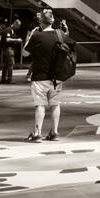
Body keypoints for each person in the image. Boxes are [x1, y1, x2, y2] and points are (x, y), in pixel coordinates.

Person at [25, 9, 72, 142]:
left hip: (40, 76)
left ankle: (37, 134)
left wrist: (30, 37)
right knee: (55, 104)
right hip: (56, 77)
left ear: (40, 21)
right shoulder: (60, 34)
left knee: (40, 105)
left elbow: (25, 53)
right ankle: (55, 133)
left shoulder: (37, 35)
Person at [1, 18, 22, 84]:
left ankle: (3, 79)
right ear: (15, 24)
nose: (18, 28)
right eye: (18, 26)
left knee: (6, 65)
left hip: (8, 49)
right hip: (8, 49)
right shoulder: (8, 30)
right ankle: (9, 79)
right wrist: (17, 40)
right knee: (11, 64)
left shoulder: (12, 30)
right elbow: (7, 39)